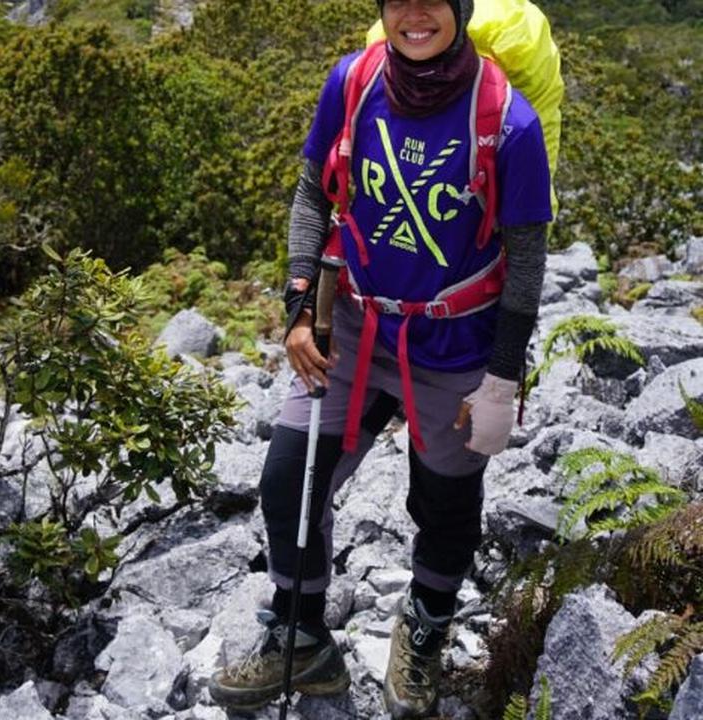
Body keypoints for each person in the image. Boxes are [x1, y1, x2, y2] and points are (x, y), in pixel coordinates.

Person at [208, 0, 552, 716]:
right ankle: (303, 638)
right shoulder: (353, 81)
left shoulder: (510, 122)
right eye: (399, 0)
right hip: (356, 325)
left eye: (434, 0)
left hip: (455, 343)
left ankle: (425, 628)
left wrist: (502, 378)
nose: (415, 15)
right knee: (287, 481)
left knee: (445, 501)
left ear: (460, 9)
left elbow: (525, 262)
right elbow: (313, 191)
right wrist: (301, 307)